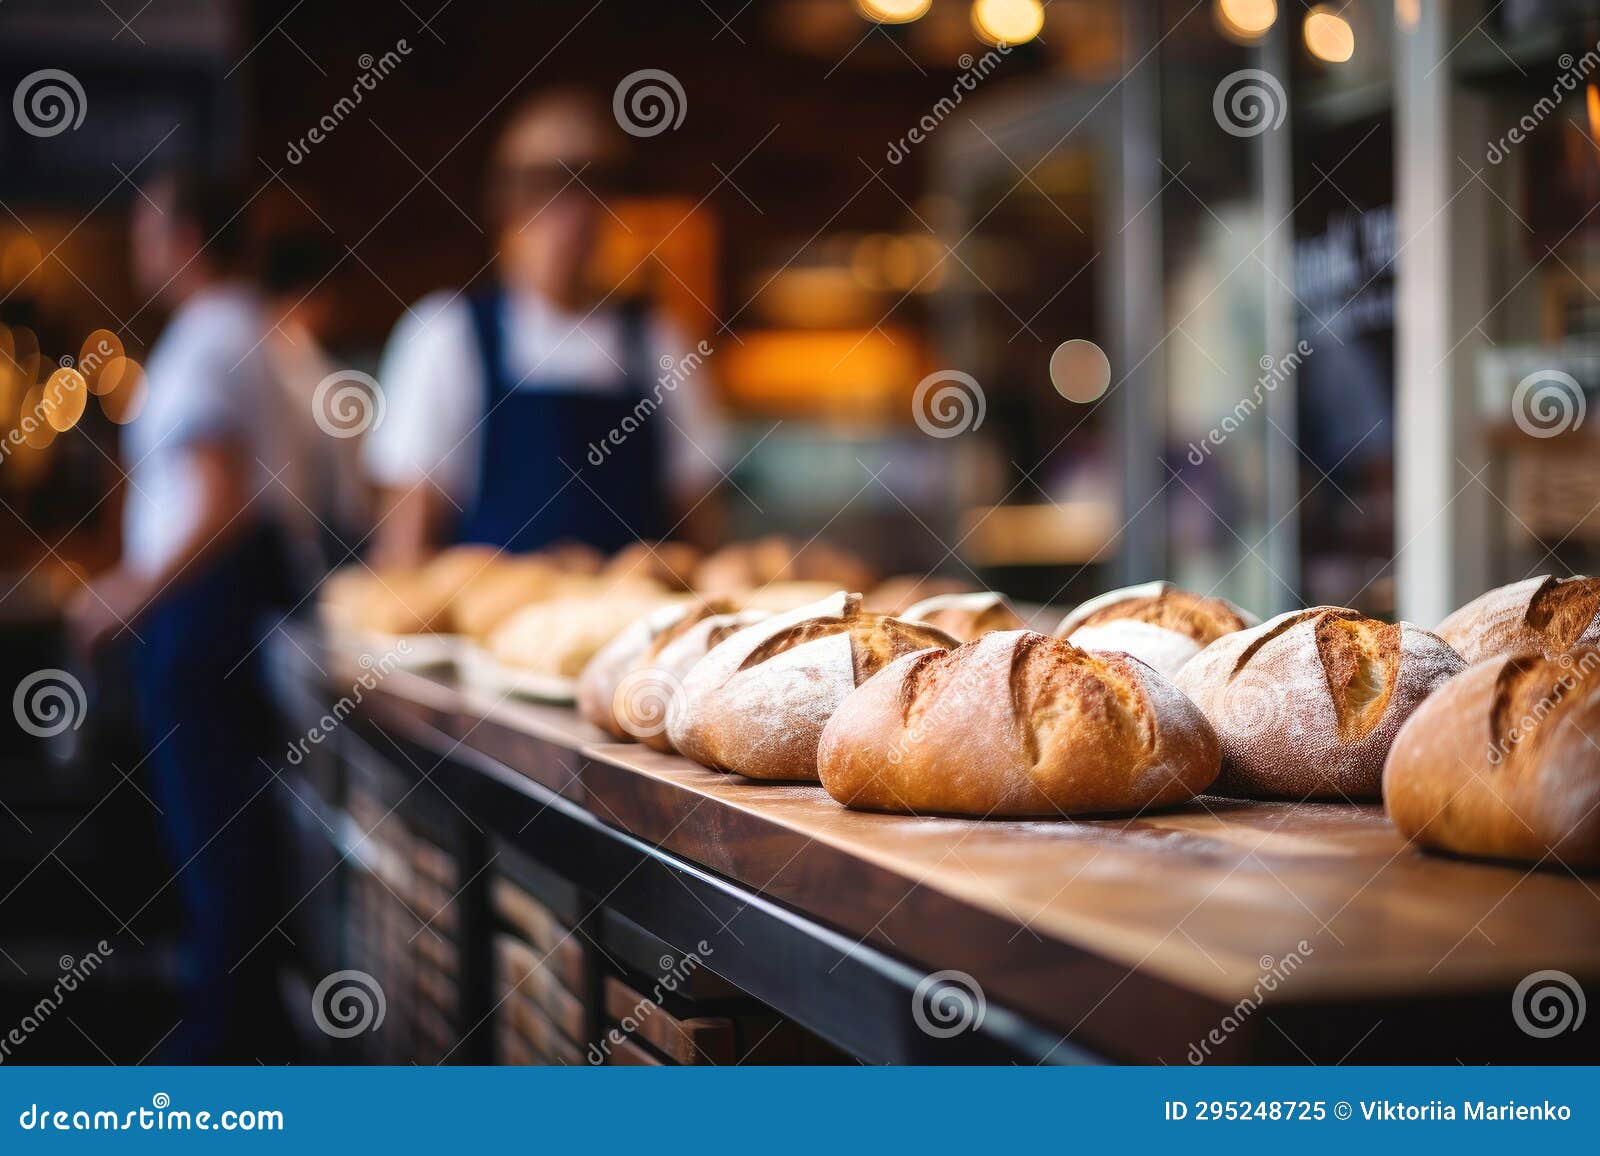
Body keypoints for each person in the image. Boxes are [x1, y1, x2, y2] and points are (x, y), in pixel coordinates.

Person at [68, 171, 295, 1062]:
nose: (137, 241)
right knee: (227, 836)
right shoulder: (252, 328)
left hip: (204, 621)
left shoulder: (206, 340)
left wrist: (126, 592)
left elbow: (224, 497)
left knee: (209, 838)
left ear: (188, 234)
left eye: (149, 224)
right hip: (231, 613)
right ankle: (232, 1032)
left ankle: (215, 1055)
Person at [363, 90, 725, 567]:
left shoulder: (659, 341)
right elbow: (406, 540)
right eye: (550, 189)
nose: (575, 215)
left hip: (638, 631)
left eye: (593, 189)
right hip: (493, 634)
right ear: (506, 203)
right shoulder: (446, 335)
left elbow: (701, 522)